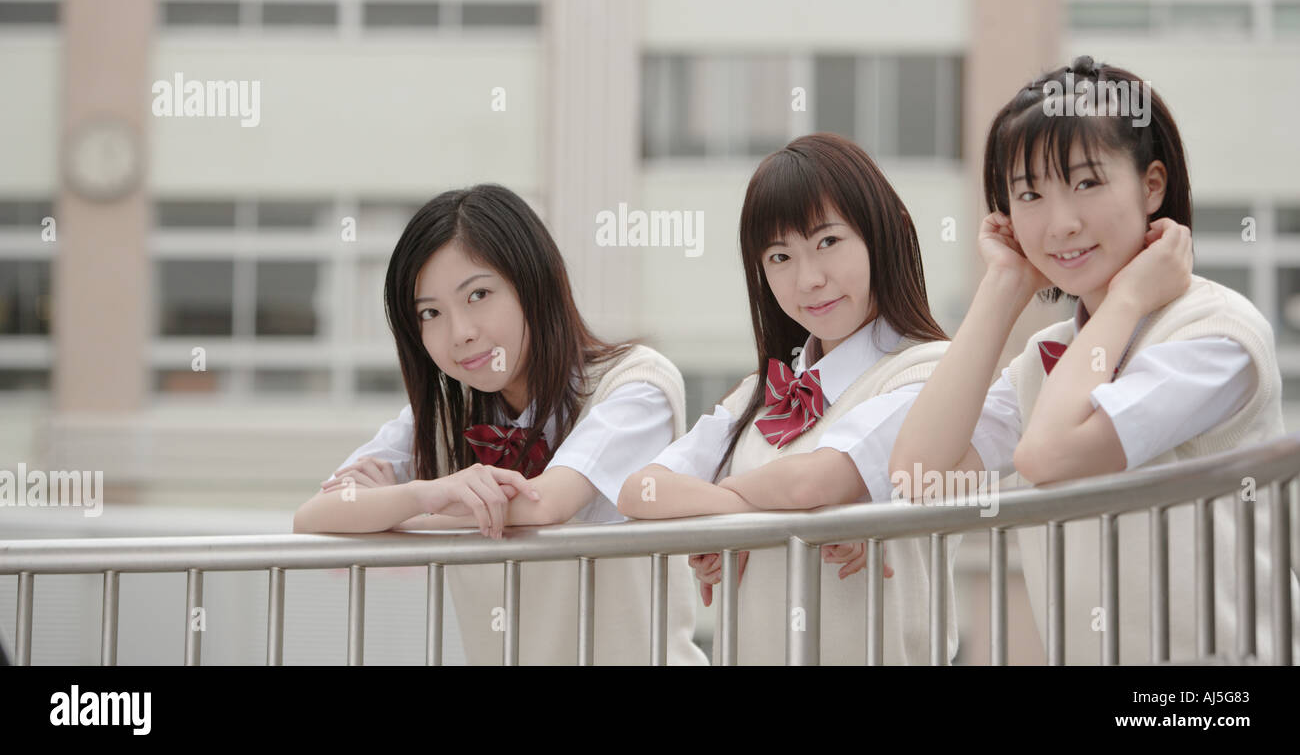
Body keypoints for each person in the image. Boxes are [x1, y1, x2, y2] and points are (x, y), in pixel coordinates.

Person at [890, 55, 1300, 663]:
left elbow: (1050, 455)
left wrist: (1131, 294)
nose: (1061, 224)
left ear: (1152, 185)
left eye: (1087, 183)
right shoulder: (1046, 361)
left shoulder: (1215, 335)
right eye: (1029, 195)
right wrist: (1004, 287)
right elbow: (917, 477)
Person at [294, 184, 707, 665]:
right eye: (431, 313)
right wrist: (425, 493)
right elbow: (314, 517)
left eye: (479, 295)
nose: (461, 332)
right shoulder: (444, 421)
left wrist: (394, 511)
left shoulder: (633, 385)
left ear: (533, 284)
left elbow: (544, 504)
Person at [620, 133, 959, 664]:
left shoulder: (927, 371)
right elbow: (638, 492)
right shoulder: (758, 395)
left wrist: (723, 517)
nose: (809, 279)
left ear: (880, 234)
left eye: (828, 242)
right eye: (780, 256)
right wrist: (747, 520)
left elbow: (814, 479)